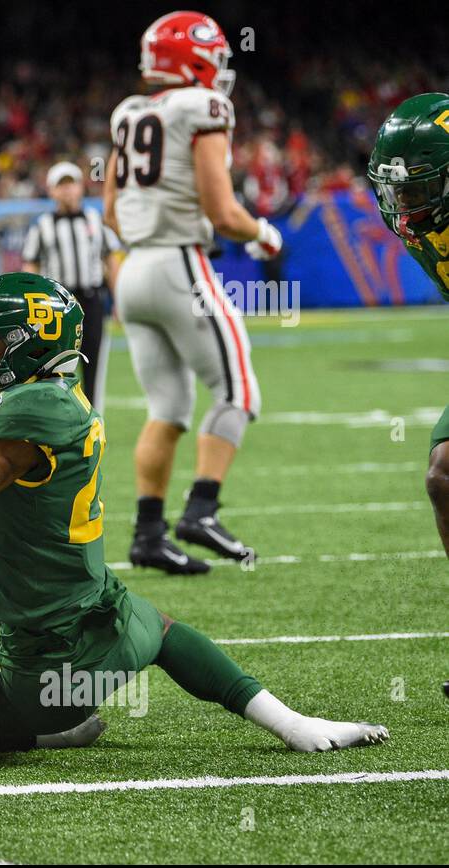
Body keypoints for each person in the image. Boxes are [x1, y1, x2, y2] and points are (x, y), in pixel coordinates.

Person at [0, 271, 388, 755]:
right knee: (160, 628)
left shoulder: (31, 411)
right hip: (107, 620)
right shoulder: (39, 394)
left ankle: (47, 723)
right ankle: (292, 723)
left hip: (42, 667)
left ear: (29, 346)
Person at [104, 10, 282, 575]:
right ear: (196, 58)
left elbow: (110, 211)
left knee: (168, 407)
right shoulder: (205, 107)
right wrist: (265, 233)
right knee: (238, 391)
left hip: (133, 273)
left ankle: (147, 535)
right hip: (181, 264)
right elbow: (223, 212)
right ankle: (201, 510)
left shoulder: (129, 112)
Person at [367, 91, 449, 697]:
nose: (405, 202)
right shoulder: (420, 227)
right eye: (399, 187)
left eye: (420, 188)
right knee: (443, 475)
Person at [22, 160, 120, 410]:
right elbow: (30, 267)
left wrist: (119, 299)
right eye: (61, 186)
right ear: (52, 191)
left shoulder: (95, 220)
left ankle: (93, 422)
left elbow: (110, 259)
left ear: (80, 187)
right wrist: (31, 304)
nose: (67, 191)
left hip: (91, 300)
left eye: (71, 184)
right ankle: (56, 422)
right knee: (55, 367)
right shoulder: (43, 226)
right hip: (58, 306)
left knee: (94, 364)